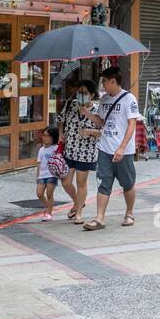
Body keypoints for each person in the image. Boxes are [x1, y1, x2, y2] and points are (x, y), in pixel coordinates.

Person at [82, 66, 140, 231]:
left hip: (123, 151)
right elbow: (101, 122)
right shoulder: (104, 99)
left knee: (127, 184)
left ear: (113, 81)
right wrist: (89, 115)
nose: (103, 85)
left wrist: (122, 147)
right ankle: (100, 218)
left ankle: (129, 213)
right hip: (104, 149)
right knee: (103, 183)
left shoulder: (129, 99)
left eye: (105, 82)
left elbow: (132, 125)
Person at [57, 79, 101, 223]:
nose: (81, 95)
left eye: (84, 93)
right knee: (65, 180)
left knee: (81, 182)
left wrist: (89, 131)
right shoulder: (70, 105)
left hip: (86, 152)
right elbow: (60, 119)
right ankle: (77, 202)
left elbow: (103, 131)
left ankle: (79, 213)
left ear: (92, 94)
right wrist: (60, 133)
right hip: (70, 149)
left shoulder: (97, 111)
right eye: (79, 92)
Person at [35, 126, 62, 221]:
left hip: (52, 174)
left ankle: (49, 213)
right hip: (42, 175)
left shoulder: (56, 148)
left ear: (53, 137)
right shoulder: (41, 149)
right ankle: (48, 207)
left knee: (49, 193)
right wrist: (38, 176)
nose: (44, 137)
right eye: (43, 135)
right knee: (39, 193)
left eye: (47, 135)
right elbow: (39, 163)